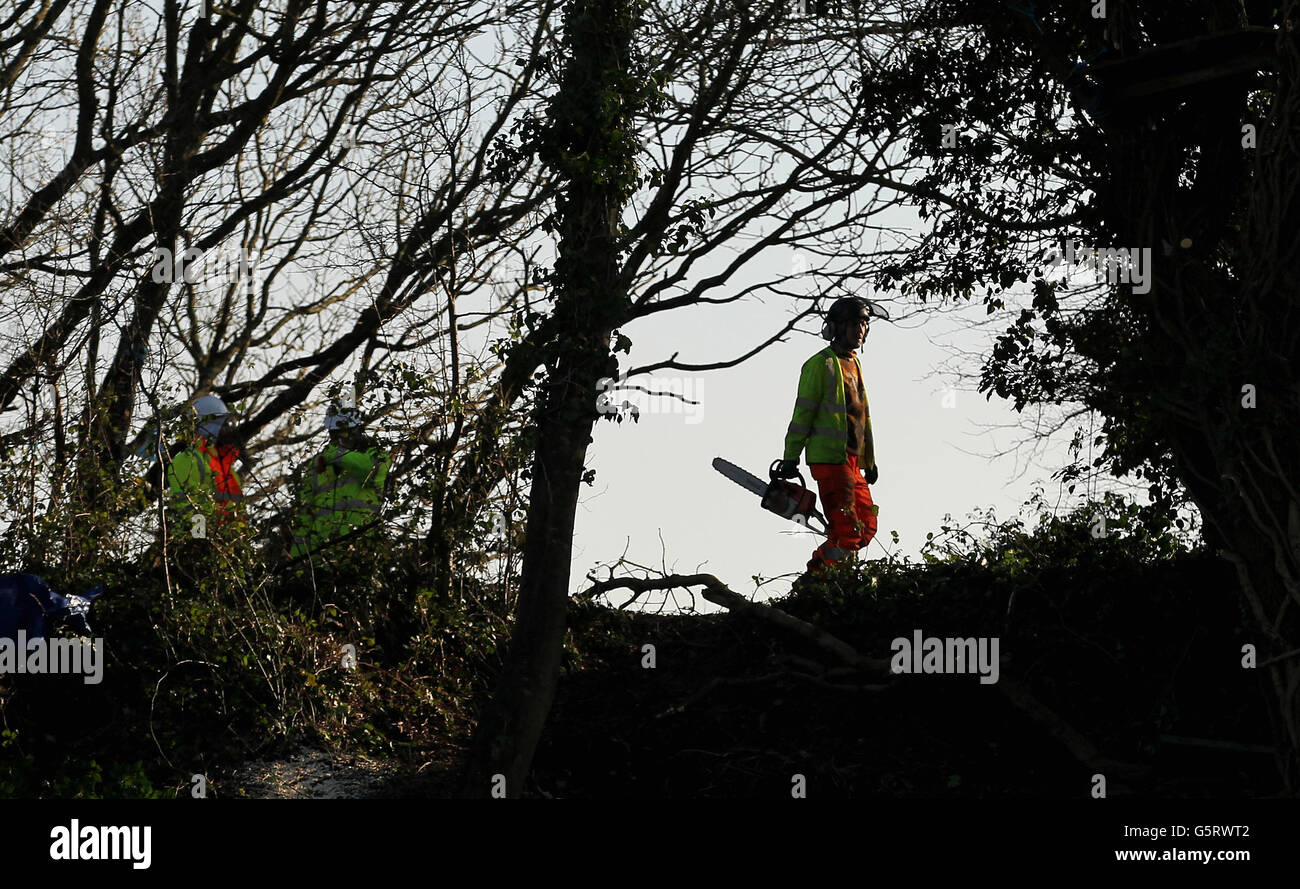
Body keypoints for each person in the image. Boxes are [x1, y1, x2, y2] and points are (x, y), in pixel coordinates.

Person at [777, 296, 879, 579]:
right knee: (847, 531)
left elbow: (862, 418)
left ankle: (833, 579)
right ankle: (815, 581)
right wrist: (790, 457)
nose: (860, 329)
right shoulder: (821, 365)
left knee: (867, 525)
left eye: (863, 323)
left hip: (853, 461)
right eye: (854, 323)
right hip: (830, 461)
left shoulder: (854, 364)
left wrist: (869, 461)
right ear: (836, 327)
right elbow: (803, 414)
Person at [288, 405, 390, 562]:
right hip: (321, 552)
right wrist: (296, 559)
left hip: (358, 547)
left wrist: (334, 455)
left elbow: (368, 470)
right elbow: (305, 514)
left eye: (343, 433)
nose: (340, 440)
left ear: (357, 431)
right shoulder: (319, 465)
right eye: (334, 435)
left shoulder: (376, 456)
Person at [164, 394, 247, 540]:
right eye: (223, 424)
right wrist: (202, 543)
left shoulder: (226, 468)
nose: (228, 429)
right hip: (200, 548)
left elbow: (237, 515)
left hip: (227, 549)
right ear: (207, 426)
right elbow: (188, 508)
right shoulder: (187, 461)